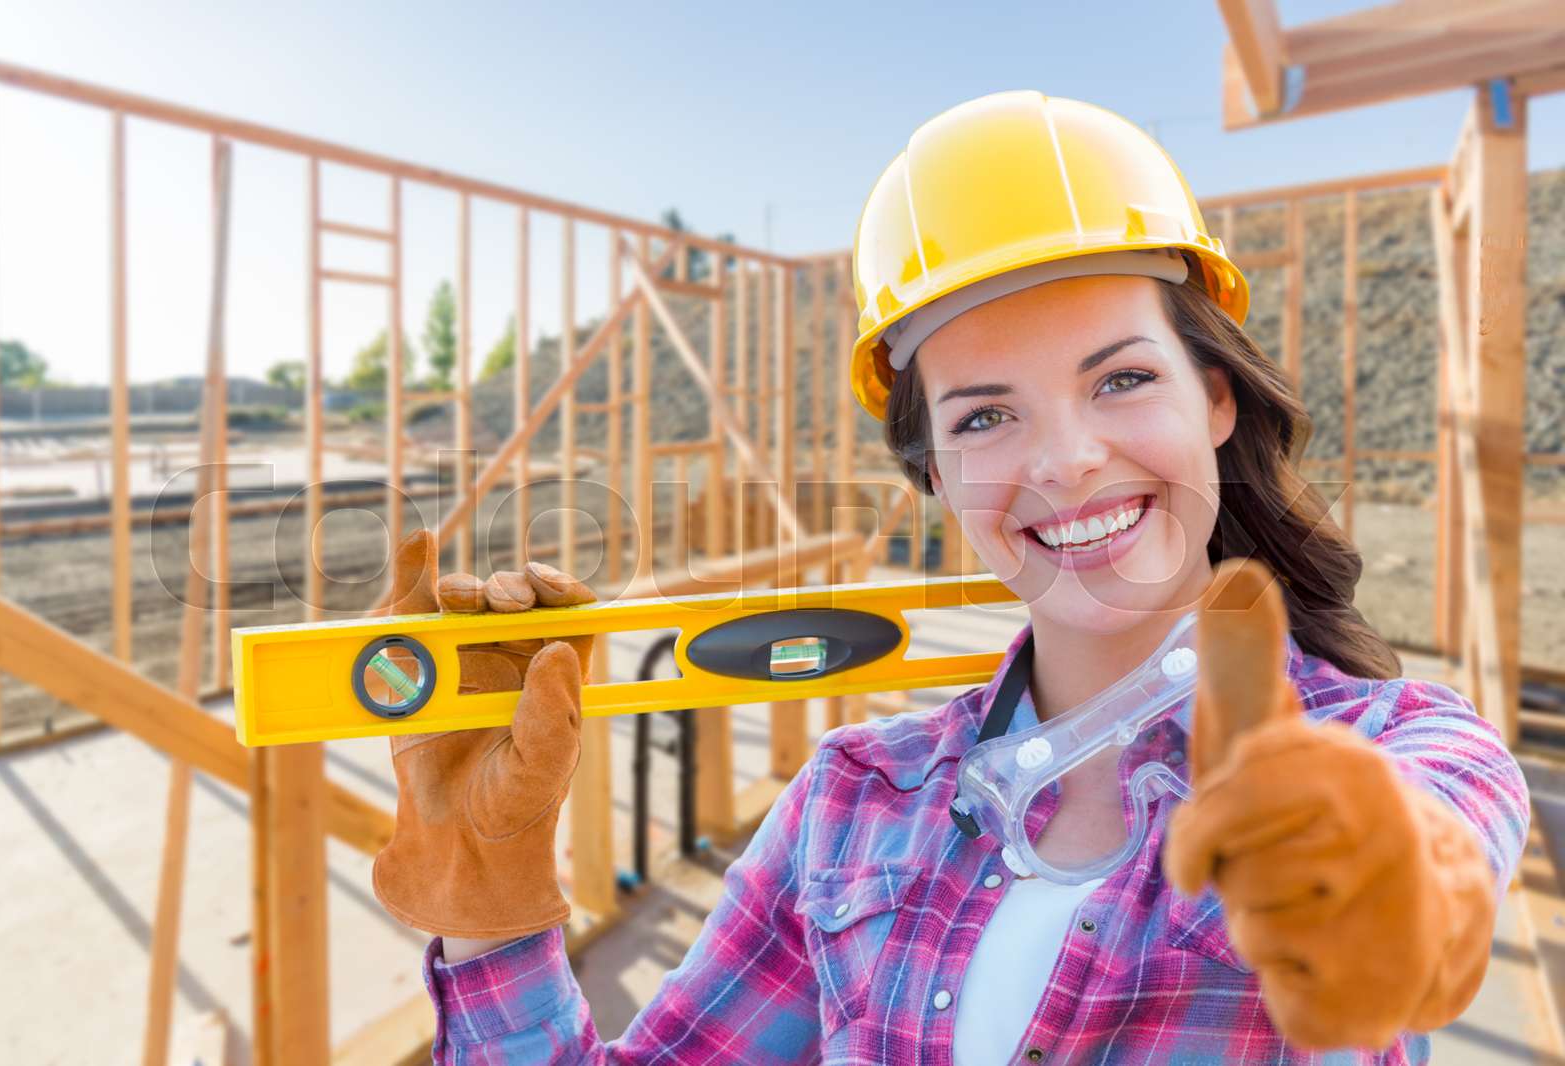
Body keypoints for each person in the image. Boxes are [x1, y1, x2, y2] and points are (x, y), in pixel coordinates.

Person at [371, 90, 1529, 1064]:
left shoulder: (1400, 748)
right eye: (985, 415)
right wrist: (496, 918)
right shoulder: (850, 806)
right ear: (935, 473)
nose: (1067, 459)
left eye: (1121, 380)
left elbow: (1435, 854)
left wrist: (1383, 879)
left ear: (1214, 398)